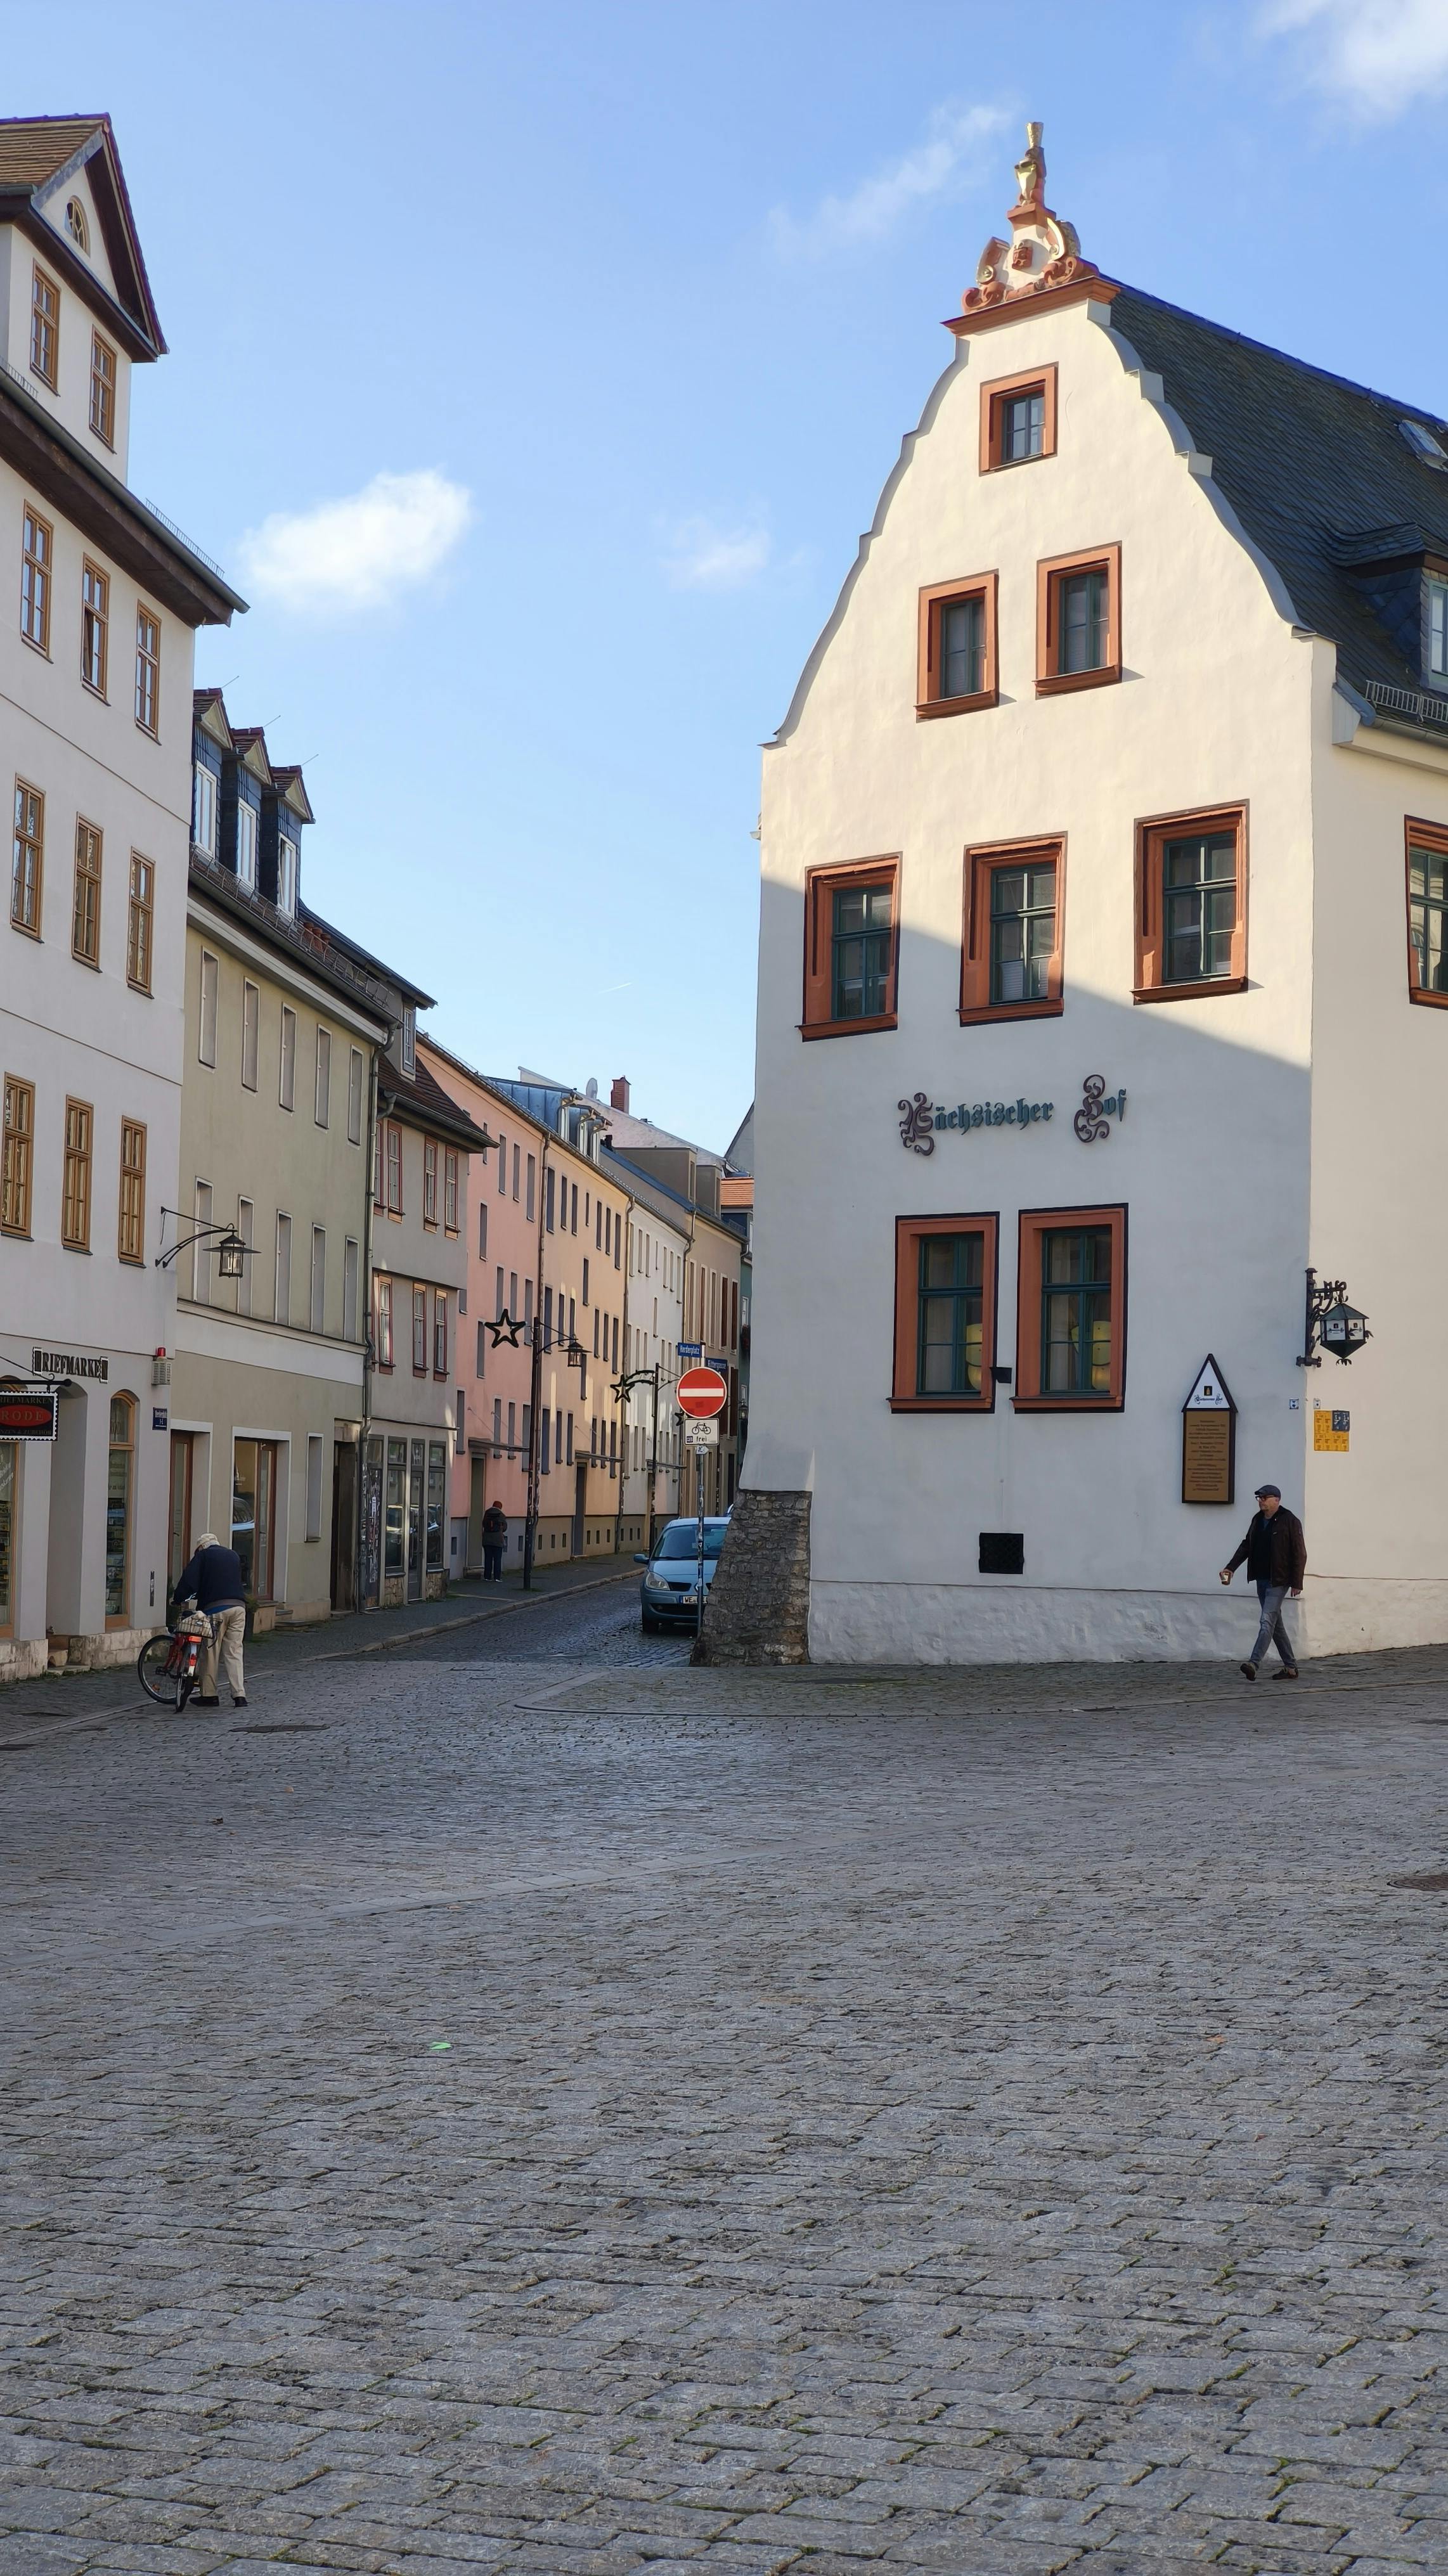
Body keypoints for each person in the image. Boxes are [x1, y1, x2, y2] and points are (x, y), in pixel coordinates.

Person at [1220, 1483, 1306, 1680]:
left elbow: (1299, 1553)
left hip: (1279, 1579)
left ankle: (1254, 1663)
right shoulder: (1257, 1520)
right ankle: (1291, 1667)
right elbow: (1247, 1545)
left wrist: (1297, 1582)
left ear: (1277, 1500)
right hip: (1261, 1578)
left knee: (1266, 1620)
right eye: (1259, 1498)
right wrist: (1230, 1568)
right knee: (1276, 1624)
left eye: (1265, 1498)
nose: (1261, 1501)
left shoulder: (1290, 1521)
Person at [174, 1530, 249, 1708]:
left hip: (217, 1609)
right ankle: (240, 1696)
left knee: (211, 1653)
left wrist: (178, 1598)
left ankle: (209, 1695)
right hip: (239, 1607)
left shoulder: (204, 1556)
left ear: (201, 1547)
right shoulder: (232, 1555)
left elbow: (189, 1582)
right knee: (235, 1652)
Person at [481, 1501, 508, 1583]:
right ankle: (497, 1577)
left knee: (488, 1559)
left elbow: (483, 1524)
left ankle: (487, 1577)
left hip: (487, 1539)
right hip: (497, 1540)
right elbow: (505, 1528)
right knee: (497, 1559)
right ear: (500, 1507)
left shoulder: (487, 1513)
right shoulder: (501, 1515)